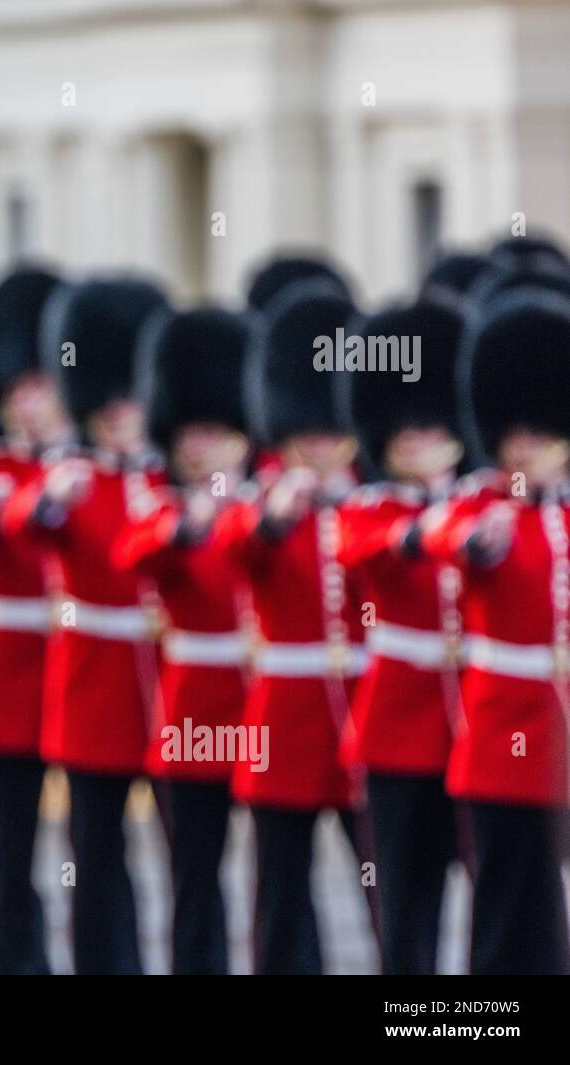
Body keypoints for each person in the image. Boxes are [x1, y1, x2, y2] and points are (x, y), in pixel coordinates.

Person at [1, 277, 168, 974]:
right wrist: (46, 505)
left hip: (168, 687)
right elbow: (17, 521)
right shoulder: (70, 477)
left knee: (188, 858)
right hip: (95, 688)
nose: (122, 414)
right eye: (111, 402)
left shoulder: (174, 479)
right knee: (96, 858)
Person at [214, 278, 376, 975]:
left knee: (387, 883)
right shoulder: (264, 500)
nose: (321, 444)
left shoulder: (372, 498)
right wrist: (278, 513)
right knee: (281, 890)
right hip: (284, 714)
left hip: (367, 710)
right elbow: (233, 548)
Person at [421, 287, 570, 975]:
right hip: (501, 731)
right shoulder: (480, 504)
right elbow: (447, 536)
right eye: (514, 437)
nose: (524, 450)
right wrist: (481, 542)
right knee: (504, 903)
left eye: (539, 435)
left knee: (552, 907)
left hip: (560, 730)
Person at [114, 306, 253, 975]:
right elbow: (136, 549)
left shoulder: (270, 505)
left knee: (279, 875)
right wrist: (191, 525)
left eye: (217, 432)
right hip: (195, 709)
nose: (202, 447)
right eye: (192, 432)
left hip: (266, 706)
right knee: (195, 875)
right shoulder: (166, 511)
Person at [335, 295, 468, 974]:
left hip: (477, 727)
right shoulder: (367, 509)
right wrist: (429, 532)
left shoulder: (489, 503)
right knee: (404, 902)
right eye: (403, 427)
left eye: (430, 423)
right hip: (397, 729)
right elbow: (377, 551)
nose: (415, 435)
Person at [0, 267, 71, 974]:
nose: (30, 403)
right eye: (18, 390)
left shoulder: (85, 467)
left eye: (41, 387)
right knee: (11, 858)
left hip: (81, 675)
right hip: (10, 683)